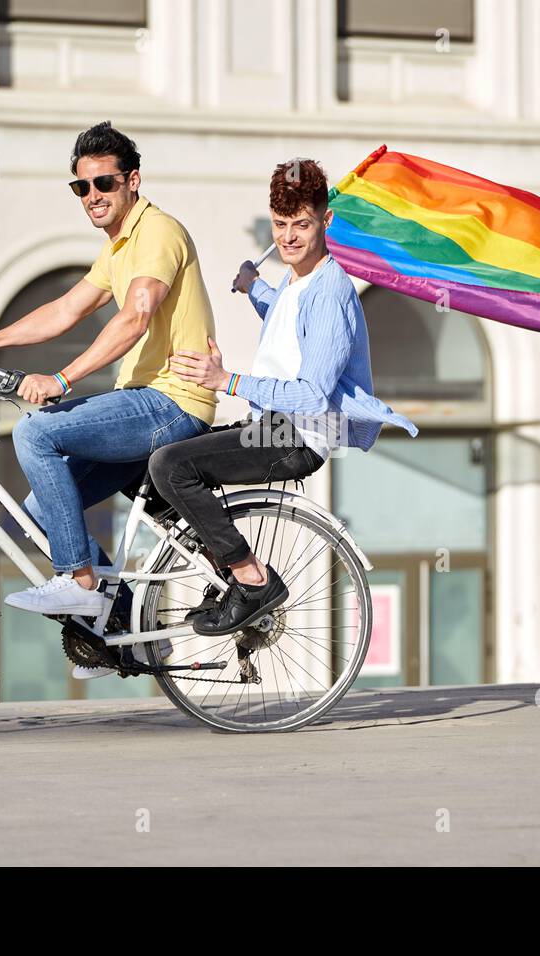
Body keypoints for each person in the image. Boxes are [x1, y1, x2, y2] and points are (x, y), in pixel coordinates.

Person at [0, 122, 216, 618]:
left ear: (132, 180)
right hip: (141, 402)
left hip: (171, 402)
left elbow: (135, 316)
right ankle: (118, 629)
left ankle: (80, 579)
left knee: (34, 432)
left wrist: (61, 379)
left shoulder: (156, 232)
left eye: (104, 183)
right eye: (81, 187)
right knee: (42, 512)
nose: (92, 195)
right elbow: (65, 310)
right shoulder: (116, 247)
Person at [151, 158, 417, 637]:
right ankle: (229, 573)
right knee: (150, 472)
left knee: (171, 466)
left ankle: (252, 582)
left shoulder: (331, 291)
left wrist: (226, 381)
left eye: (302, 224)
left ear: (325, 221)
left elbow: (313, 393)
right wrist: (255, 288)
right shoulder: (300, 282)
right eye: (280, 225)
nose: (289, 237)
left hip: (295, 437)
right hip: (272, 427)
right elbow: (287, 318)